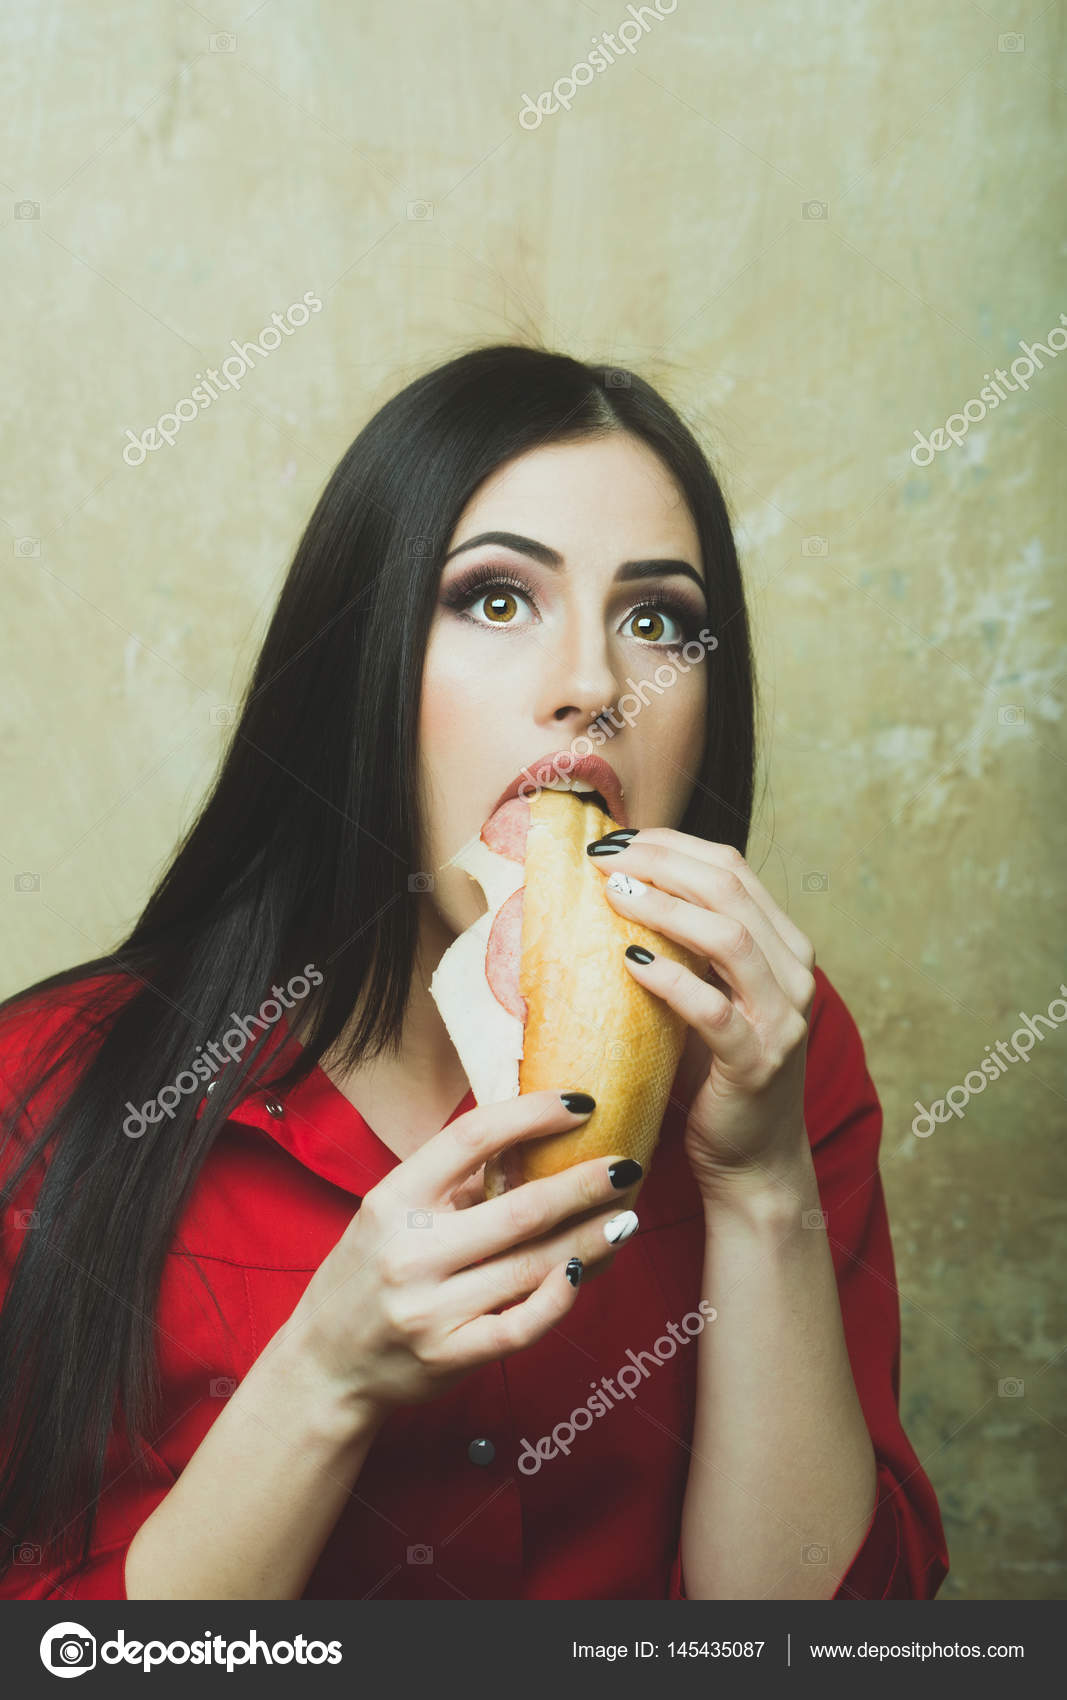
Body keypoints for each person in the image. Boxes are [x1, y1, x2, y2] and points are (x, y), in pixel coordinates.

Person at [0, 345, 948, 1601]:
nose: (594, 687)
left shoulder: (772, 1057)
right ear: (363, 661)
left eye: (656, 620)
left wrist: (761, 1181)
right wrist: (324, 1377)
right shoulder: (44, 1090)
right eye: (496, 599)